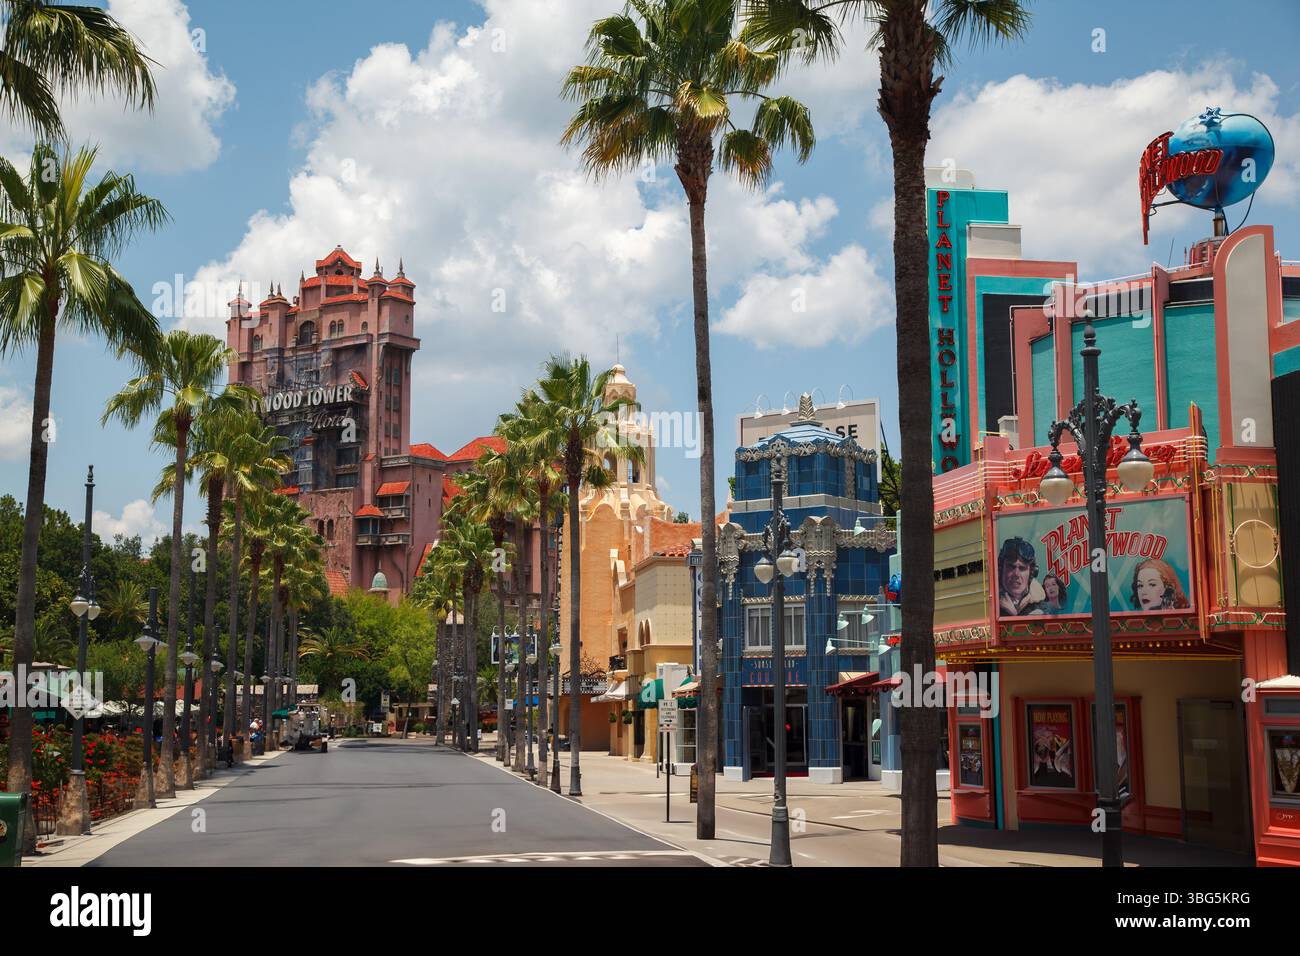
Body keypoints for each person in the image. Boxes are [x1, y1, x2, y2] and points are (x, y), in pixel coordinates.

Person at [998, 537, 1046, 616]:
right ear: (1000, 569)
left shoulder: (1042, 608)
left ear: (1032, 573)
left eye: (1022, 568)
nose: (1016, 574)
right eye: (1011, 567)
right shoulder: (988, 602)